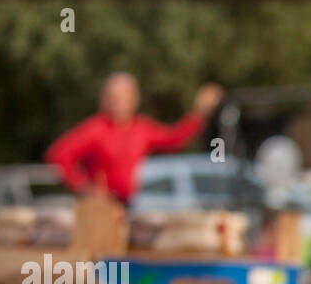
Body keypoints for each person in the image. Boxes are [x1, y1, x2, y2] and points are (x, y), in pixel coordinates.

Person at [46, 73, 224, 206]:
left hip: (129, 204)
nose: (118, 103)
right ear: (104, 100)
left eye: (122, 98)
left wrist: (199, 112)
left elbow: (174, 139)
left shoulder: (141, 128)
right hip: (99, 207)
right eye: (113, 98)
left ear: (134, 99)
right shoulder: (96, 129)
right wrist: (84, 188)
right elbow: (59, 155)